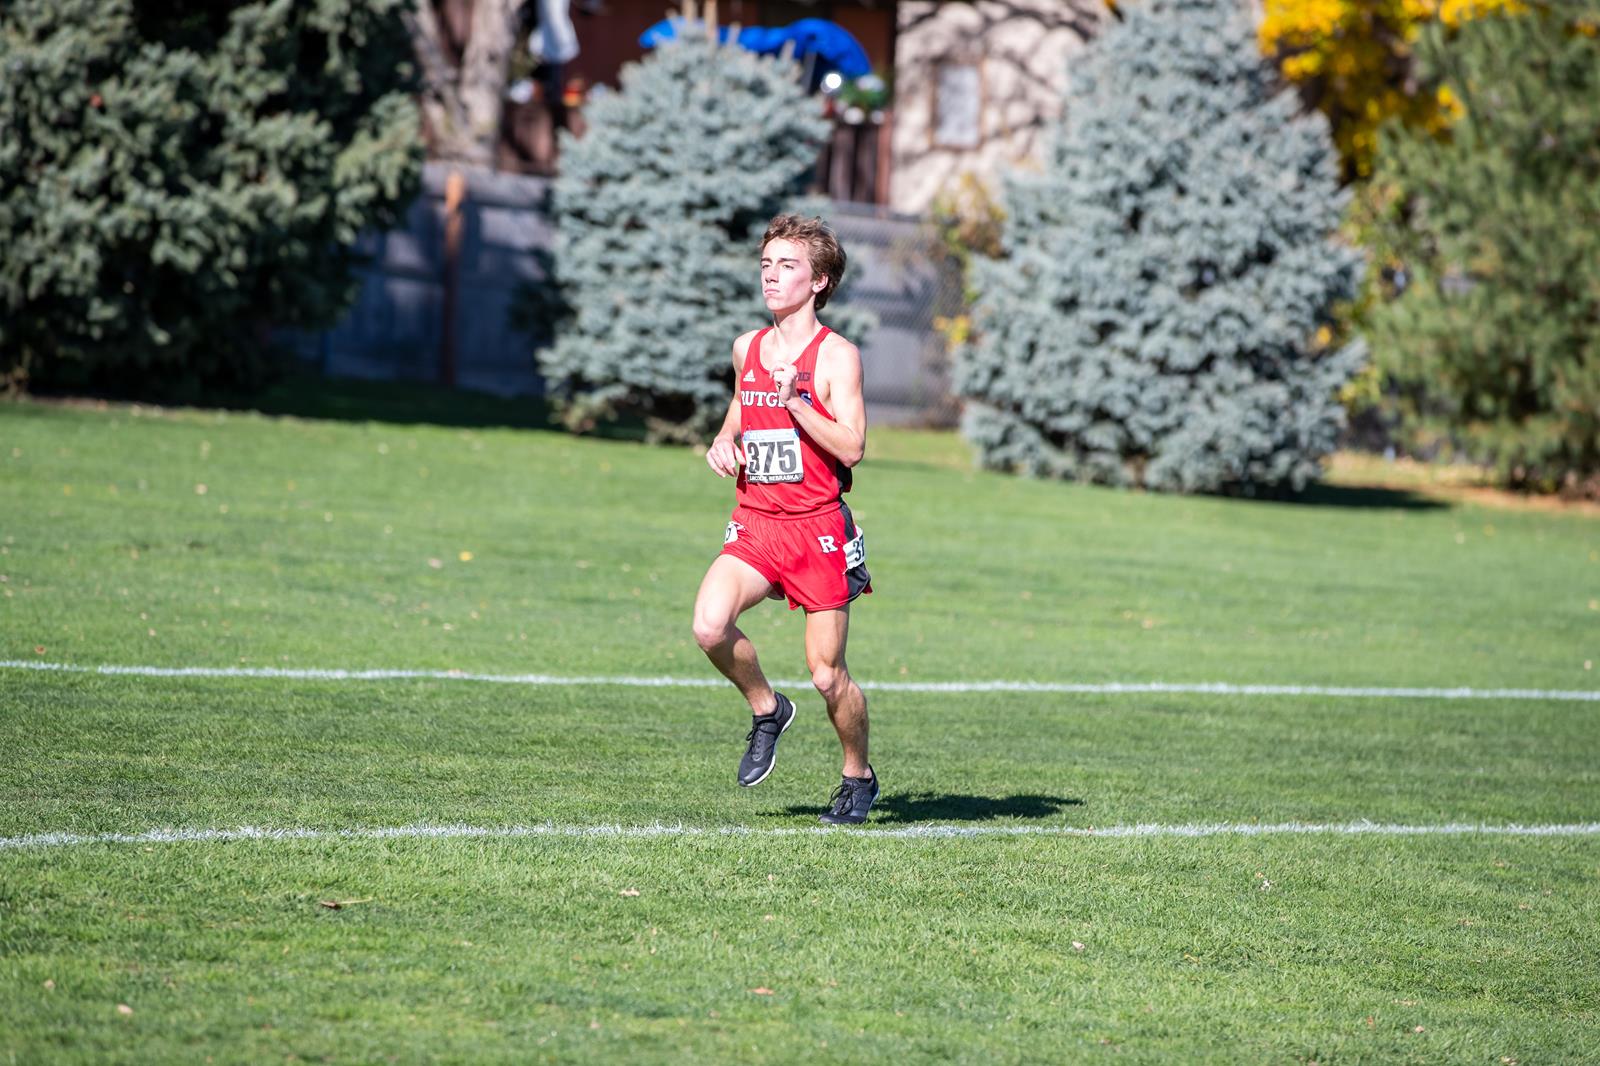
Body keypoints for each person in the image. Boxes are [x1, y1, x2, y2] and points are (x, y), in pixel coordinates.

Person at [691, 213, 879, 826]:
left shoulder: (836, 357)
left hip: (817, 530)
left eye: (788, 266)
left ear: (820, 280)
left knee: (828, 677)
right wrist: (723, 441)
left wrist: (795, 400)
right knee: (709, 627)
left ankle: (858, 775)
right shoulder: (749, 347)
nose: (772, 277)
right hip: (756, 521)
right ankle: (767, 708)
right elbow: (741, 409)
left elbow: (851, 447)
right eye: (767, 265)